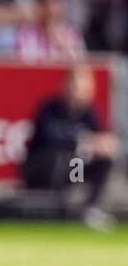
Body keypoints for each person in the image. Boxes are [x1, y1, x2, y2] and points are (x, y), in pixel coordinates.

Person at [23, 64, 117, 231]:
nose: (78, 91)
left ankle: (89, 208)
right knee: (66, 156)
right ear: (65, 85)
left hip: (73, 171)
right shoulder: (49, 109)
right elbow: (50, 137)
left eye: (83, 87)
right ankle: (67, 202)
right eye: (75, 85)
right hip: (44, 169)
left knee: (103, 159)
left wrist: (103, 144)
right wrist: (84, 140)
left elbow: (101, 138)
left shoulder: (89, 113)